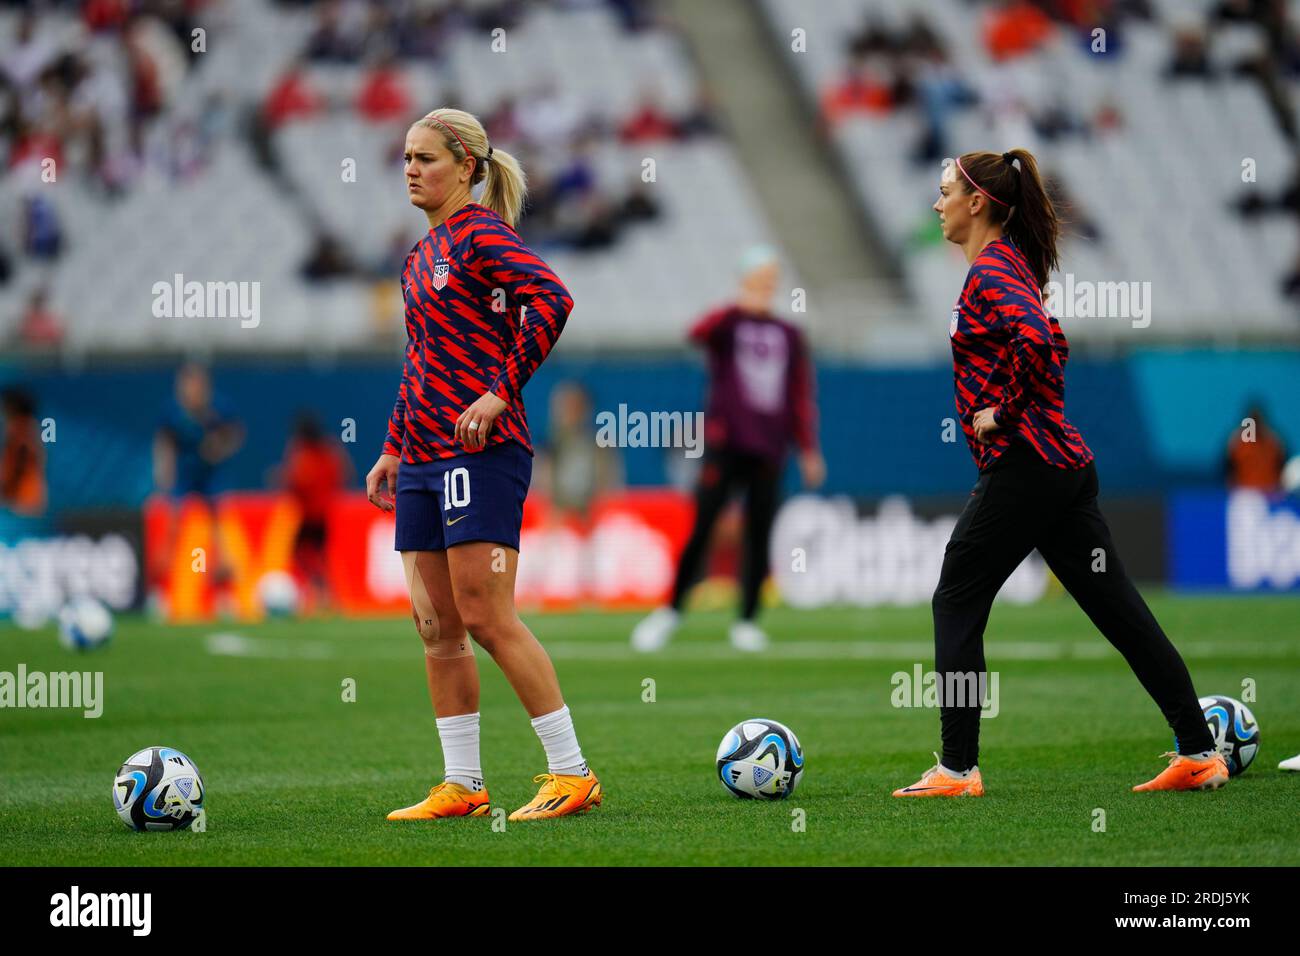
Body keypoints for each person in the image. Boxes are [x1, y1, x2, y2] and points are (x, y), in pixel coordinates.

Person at [894, 148, 1227, 798]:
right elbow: (1042, 336)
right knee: (1120, 609)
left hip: (1028, 465)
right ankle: (1198, 751)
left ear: (977, 203)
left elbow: (1040, 341)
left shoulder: (991, 272)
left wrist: (1001, 413)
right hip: (1061, 468)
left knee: (956, 597)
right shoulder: (1009, 265)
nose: (936, 205)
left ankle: (957, 769)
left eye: (943, 193)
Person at [366, 107, 600, 822]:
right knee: (436, 623)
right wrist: (391, 445)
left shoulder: (482, 236)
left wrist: (501, 392)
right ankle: (463, 784)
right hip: (424, 456)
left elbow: (553, 299)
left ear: (466, 166)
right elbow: (420, 362)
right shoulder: (418, 258)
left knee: (485, 614)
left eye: (426, 158)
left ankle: (571, 772)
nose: (411, 168)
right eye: (406, 157)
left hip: (481, 452)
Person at [630, 246, 825, 654]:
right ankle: (670, 611)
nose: (767, 285)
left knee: (759, 533)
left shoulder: (789, 335)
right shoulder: (729, 324)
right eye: (761, 276)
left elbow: (799, 395)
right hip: (726, 445)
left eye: (772, 278)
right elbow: (696, 333)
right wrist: (737, 307)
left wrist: (807, 448)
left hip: (769, 448)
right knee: (703, 528)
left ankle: (748, 619)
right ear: (746, 279)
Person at [279, 412, 352, 614]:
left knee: (303, 554)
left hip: (311, 516)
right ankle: (327, 596)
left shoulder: (303, 454)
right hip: (324, 513)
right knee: (320, 556)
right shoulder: (330, 449)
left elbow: (296, 482)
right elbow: (344, 473)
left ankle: (322, 593)